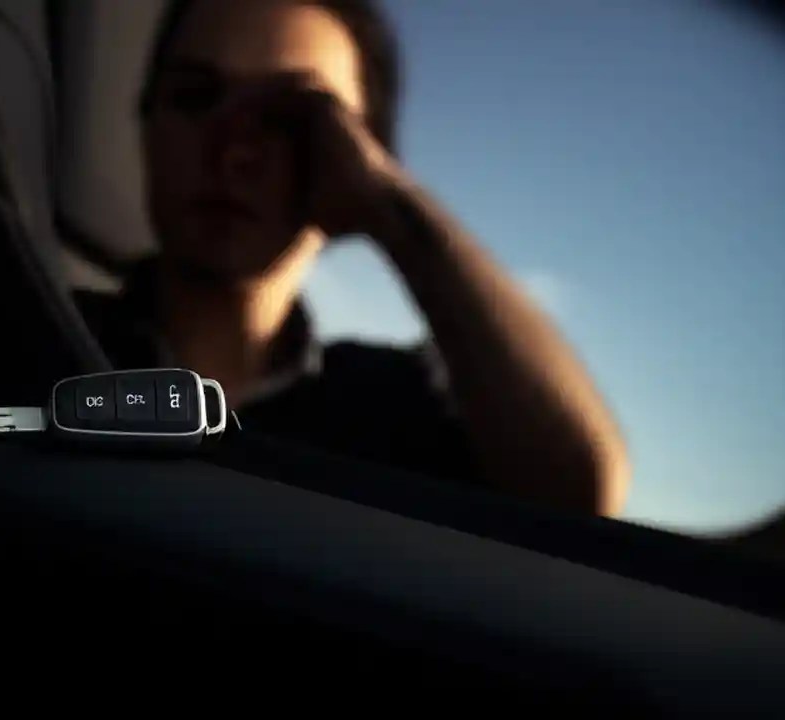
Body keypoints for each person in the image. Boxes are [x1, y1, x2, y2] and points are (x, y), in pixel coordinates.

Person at [74, 0, 631, 515]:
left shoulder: (392, 405)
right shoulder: (30, 324)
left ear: (354, 160)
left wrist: (393, 208)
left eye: (292, 119)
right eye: (194, 96)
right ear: (146, 125)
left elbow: (577, 488)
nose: (234, 151)